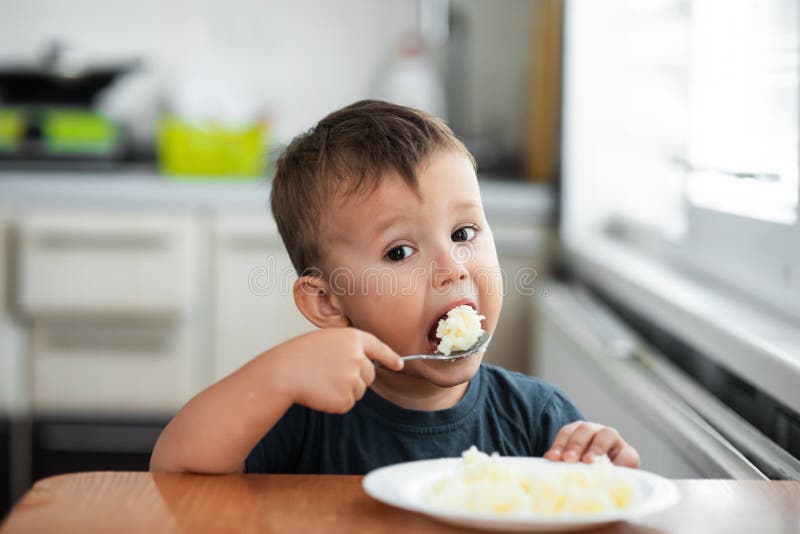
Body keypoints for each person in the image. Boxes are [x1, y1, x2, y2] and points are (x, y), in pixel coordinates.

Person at [150, 100, 640, 474]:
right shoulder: (303, 416)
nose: (452, 268)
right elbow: (173, 469)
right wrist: (274, 376)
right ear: (327, 301)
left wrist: (599, 462)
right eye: (400, 252)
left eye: (463, 234)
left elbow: (591, 500)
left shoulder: (537, 419)